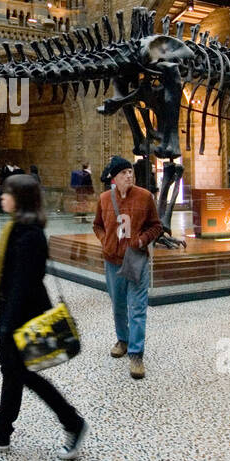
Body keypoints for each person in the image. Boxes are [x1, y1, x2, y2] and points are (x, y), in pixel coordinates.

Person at [0, 173, 88, 460]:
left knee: (24, 374)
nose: (2, 197)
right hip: (11, 311)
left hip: (22, 316)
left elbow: (25, 283)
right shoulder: (17, 227)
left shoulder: (29, 234)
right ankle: (1, 433)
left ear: (20, 198)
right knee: (13, 373)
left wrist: (8, 324)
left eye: (7, 193)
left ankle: (73, 422)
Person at [93, 155, 163, 380]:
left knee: (138, 307)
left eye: (130, 171)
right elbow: (97, 225)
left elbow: (156, 226)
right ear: (114, 178)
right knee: (118, 306)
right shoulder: (104, 199)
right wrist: (105, 240)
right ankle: (122, 340)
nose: (129, 175)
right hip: (112, 260)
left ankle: (136, 354)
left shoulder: (145, 197)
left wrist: (142, 240)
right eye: (124, 173)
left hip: (136, 261)